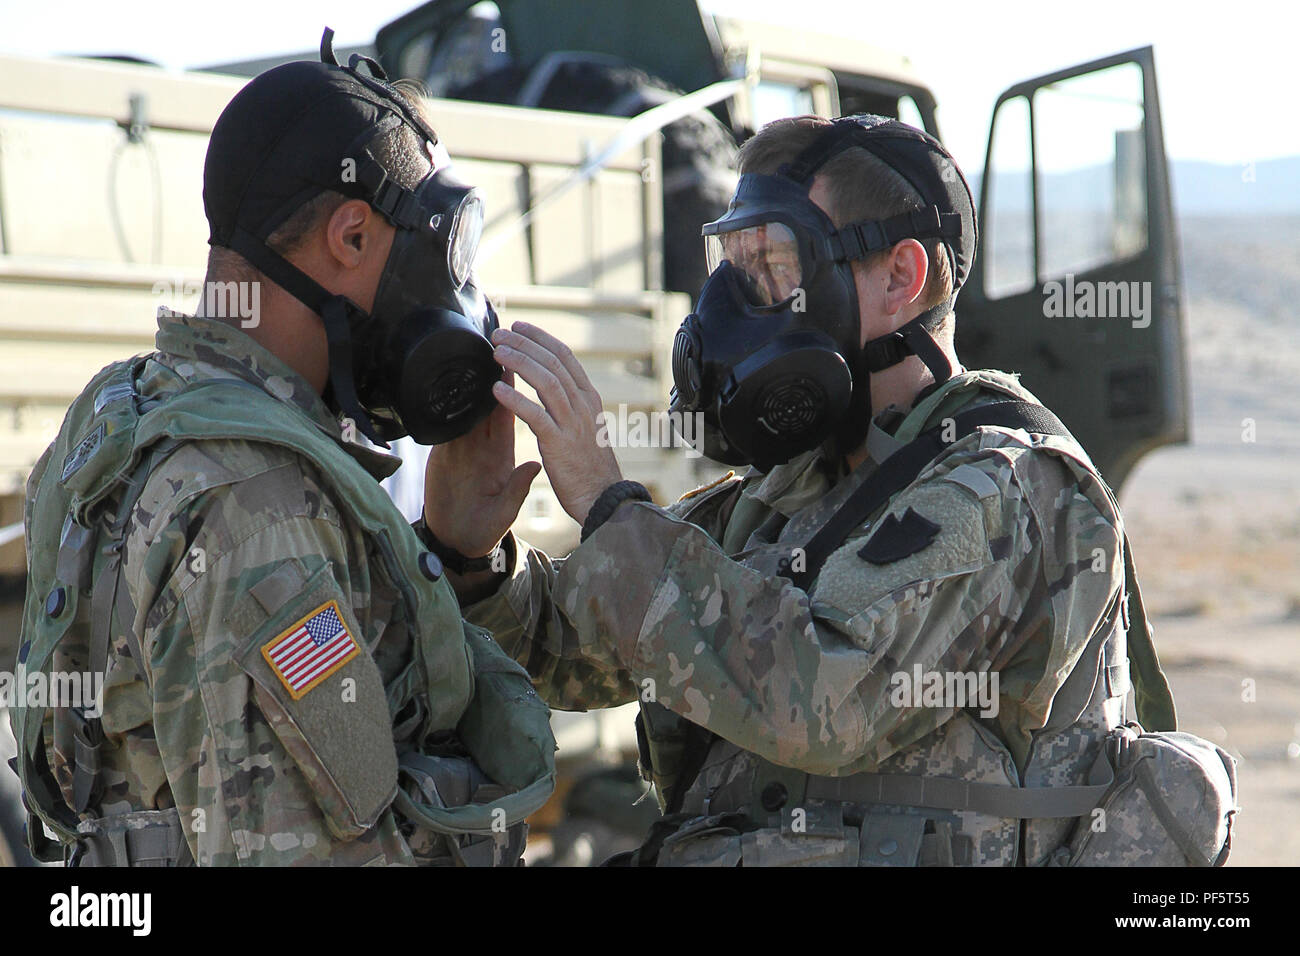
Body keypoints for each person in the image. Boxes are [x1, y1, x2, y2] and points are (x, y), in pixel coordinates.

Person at [425, 113, 1166, 866]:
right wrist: (471, 558)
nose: (737, 302)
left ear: (901, 278)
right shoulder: (788, 492)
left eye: (774, 264)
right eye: (736, 265)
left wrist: (609, 505)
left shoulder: (1007, 485)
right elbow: (574, 649)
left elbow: (821, 702)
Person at [11, 35, 554, 866]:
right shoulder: (255, 502)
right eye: (432, 249)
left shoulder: (120, 429)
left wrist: (449, 555)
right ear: (351, 235)